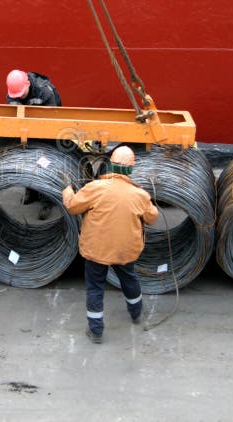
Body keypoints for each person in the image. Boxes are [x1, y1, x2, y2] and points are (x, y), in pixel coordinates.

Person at [61, 145, 159, 344]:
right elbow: (152, 218)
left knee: (95, 287)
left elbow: (72, 206)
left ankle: (96, 330)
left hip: (97, 249)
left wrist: (67, 189)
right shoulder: (139, 195)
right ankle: (136, 313)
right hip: (125, 250)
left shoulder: (95, 188)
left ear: (111, 165)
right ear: (131, 169)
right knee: (129, 279)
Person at [6, 69, 62, 220]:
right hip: (27, 131)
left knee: (45, 163)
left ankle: (47, 200)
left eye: (21, 94)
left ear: (28, 84)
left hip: (48, 133)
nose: (19, 97)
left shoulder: (46, 92)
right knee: (28, 160)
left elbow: (52, 122)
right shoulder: (13, 92)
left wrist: (42, 146)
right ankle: (31, 190)